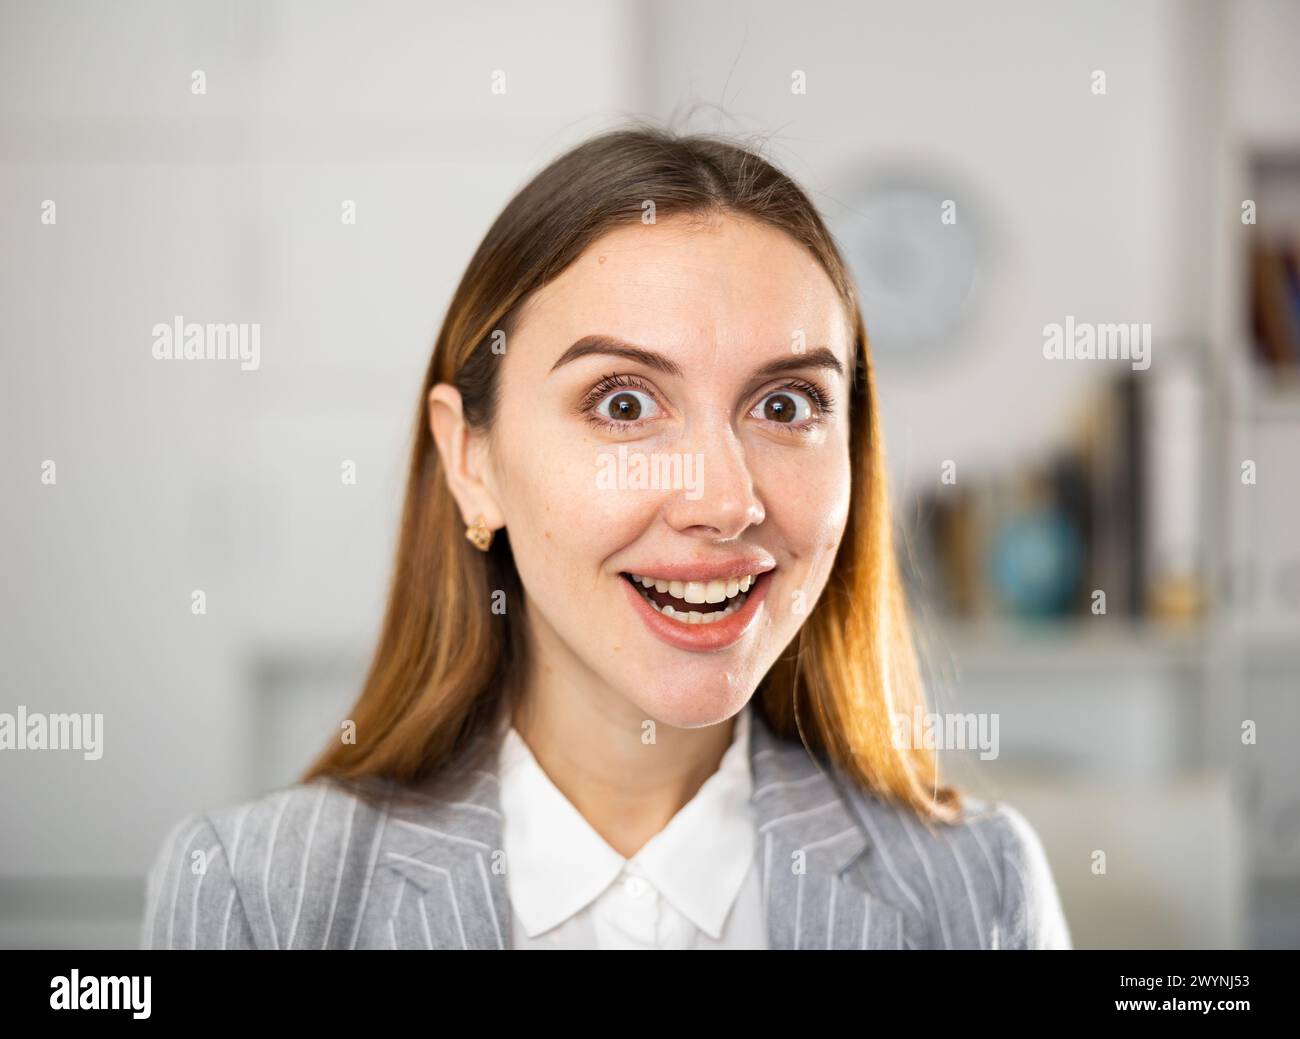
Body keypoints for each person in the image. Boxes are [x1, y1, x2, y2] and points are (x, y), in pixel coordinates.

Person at [140, 125, 1072, 950]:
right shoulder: (252, 898)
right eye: (623, 403)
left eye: (786, 404)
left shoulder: (979, 889)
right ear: (473, 460)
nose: (722, 501)